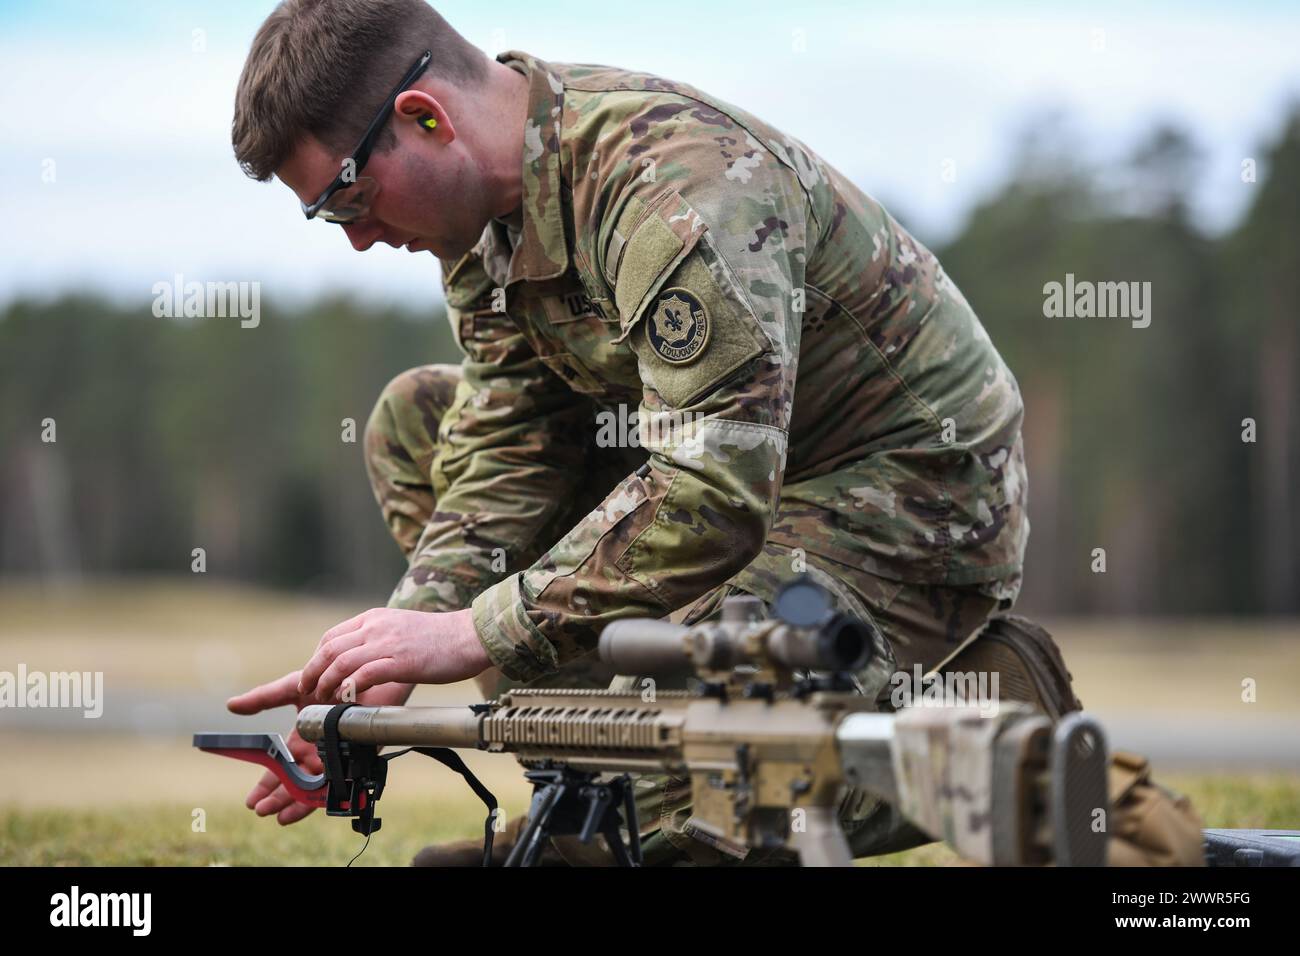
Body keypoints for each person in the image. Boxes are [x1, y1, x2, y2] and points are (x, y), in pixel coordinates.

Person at [224, 0, 1101, 866]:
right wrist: (393, 653)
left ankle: (998, 713)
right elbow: (511, 447)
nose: (359, 240)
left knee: (703, 786)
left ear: (424, 117)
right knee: (416, 423)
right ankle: (592, 786)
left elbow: (711, 495)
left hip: (903, 494)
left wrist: (471, 634)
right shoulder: (480, 222)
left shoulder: (673, 192)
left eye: (350, 199)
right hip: (724, 469)